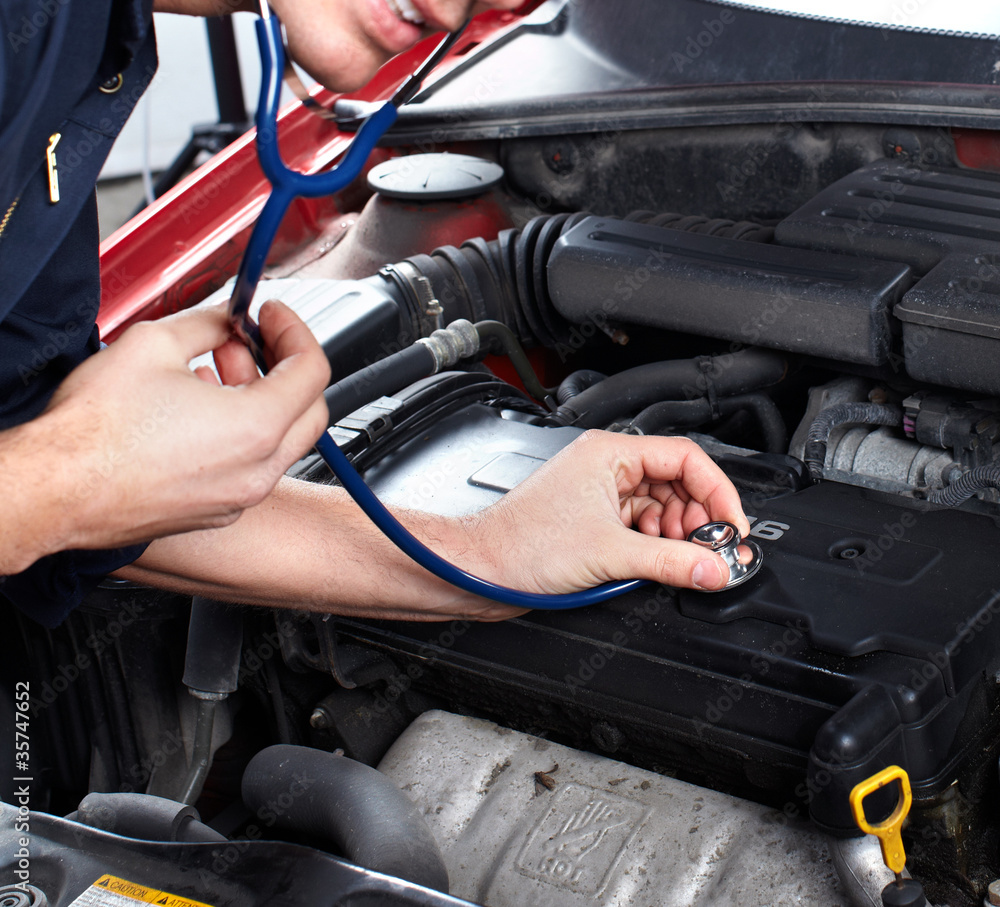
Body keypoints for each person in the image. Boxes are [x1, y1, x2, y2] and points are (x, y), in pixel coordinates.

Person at [0, 0, 749, 629]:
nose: (453, 8)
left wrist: (488, 551)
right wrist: (75, 476)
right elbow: (53, 479)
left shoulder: (85, 46)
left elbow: (26, 441)